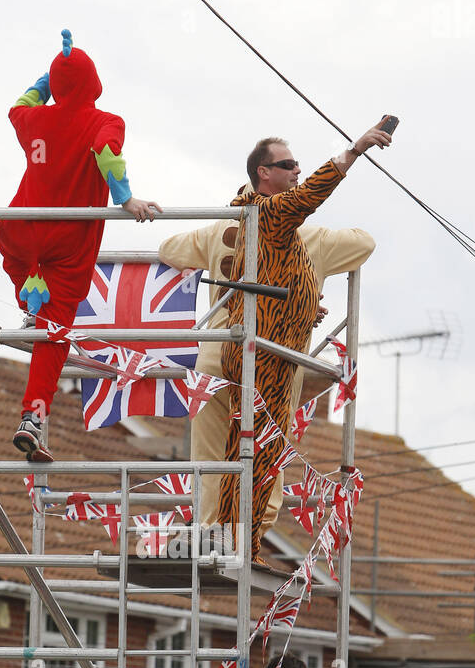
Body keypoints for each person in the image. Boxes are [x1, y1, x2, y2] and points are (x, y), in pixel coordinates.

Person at [215, 124, 393, 566]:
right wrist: (355, 150)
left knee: (258, 450)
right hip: (264, 352)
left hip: (273, 350)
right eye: (288, 164)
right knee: (254, 451)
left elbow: (264, 279)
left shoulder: (261, 219)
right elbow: (312, 193)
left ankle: (240, 540)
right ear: (264, 173)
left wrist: (302, 302)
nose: (296, 170)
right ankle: (236, 541)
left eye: (296, 164)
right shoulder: (270, 212)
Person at [0, 28, 161, 462]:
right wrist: (126, 199)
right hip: (67, 243)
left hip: (18, 231)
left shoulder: (33, 120)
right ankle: (33, 415)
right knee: (56, 335)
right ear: (94, 82)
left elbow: (19, 105)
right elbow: (107, 152)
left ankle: (29, 305)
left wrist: (46, 82)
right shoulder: (105, 120)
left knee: (25, 275)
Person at [158, 211, 375, 532]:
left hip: (214, 361)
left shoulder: (221, 229)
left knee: (210, 457)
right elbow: (364, 243)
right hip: (269, 366)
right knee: (266, 454)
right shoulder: (311, 239)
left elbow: (167, 249)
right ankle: (250, 536)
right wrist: (304, 296)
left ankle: (208, 531)